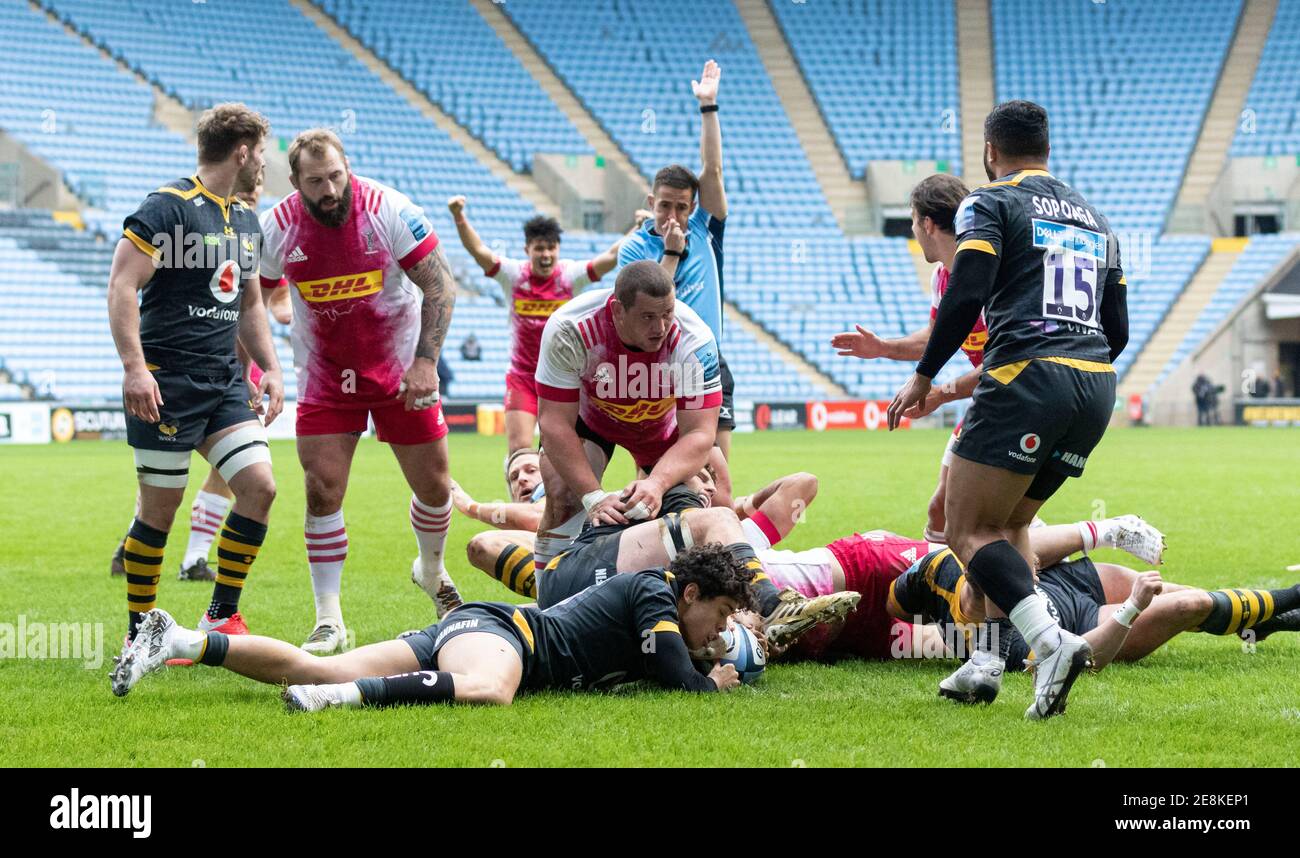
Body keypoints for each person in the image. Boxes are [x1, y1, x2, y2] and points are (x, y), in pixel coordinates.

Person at [886, 100, 1130, 718]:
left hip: (1027, 377)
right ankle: (988, 661)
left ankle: (1050, 643)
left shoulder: (990, 202)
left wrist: (924, 377)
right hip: (1095, 383)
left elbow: (966, 292)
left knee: (965, 530)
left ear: (990, 153)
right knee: (1013, 526)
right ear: (1046, 148)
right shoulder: (1099, 219)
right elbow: (1118, 327)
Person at [257, 129, 461, 655]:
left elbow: (440, 285)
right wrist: (259, 372)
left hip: (399, 374)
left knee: (436, 488)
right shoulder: (277, 228)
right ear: (295, 183)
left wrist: (425, 362)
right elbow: (251, 303)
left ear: (349, 169)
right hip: (326, 376)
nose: (328, 190)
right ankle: (329, 619)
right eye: (315, 182)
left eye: (335, 177)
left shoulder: (388, 209)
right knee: (322, 489)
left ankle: (431, 570)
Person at [110, 544, 757, 705]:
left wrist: (721, 650)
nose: (716, 629)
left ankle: (182, 639)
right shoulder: (655, 590)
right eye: (719, 614)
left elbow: (675, 656)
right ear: (692, 591)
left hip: (479, 629)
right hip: (507, 638)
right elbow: (674, 671)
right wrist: (714, 684)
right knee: (489, 692)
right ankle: (338, 701)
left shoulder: (666, 610)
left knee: (320, 663)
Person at [105, 104, 282, 666]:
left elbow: (251, 303)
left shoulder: (247, 220)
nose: (264, 166)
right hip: (167, 382)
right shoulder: (167, 207)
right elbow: (121, 286)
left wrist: (270, 368)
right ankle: (140, 634)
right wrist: (135, 368)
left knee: (260, 487)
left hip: (225, 383)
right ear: (244, 151)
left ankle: (221, 613)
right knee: (160, 510)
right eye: (262, 154)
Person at [531, 261, 722, 571]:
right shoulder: (571, 328)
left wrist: (657, 483)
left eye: (666, 314)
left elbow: (700, 434)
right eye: (647, 317)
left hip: (661, 425)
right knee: (563, 493)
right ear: (617, 310)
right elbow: (554, 422)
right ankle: (548, 606)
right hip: (593, 418)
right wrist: (592, 497)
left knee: (714, 498)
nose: (660, 328)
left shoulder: (695, 341)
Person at [888, 548, 1300, 685]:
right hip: (1085, 625)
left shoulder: (940, 563)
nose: (1022, 570)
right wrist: (1134, 607)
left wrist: (1102, 531)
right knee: (1187, 607)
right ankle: (1289, 602)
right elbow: (1088, 656)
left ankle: (1265, 621)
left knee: (1189, 593)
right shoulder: (1004, 650)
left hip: (1071, 582)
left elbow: (892, 605)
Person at [832, 173, 976, 542]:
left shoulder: (985, 278)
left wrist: (941, 393)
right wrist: (883, 348)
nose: (913, 231)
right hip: (990, 398)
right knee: (941, 511)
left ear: (927, 224)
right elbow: (934, 338)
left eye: (912, 222)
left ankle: (1093, 534)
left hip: (1014, 397)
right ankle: (943, 593)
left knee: (986, 516)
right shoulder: (943, 277)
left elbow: (1005, 362)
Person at [619, 60, 735, 462]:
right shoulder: (634, 250)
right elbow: (646, 301)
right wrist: (670, 252)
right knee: (653, 469)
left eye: (681, 207)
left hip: (707, 359)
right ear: (651, 203)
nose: (671, 215)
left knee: (715, 472)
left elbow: (713, 170)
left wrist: (708, 107)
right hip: (655, 365)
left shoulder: (706, 229)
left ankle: (712, 526)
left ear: (693, 208)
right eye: (664, 205)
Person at [447, 200, 626, 452]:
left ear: (559, 249)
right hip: (523, 377)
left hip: (562, 374)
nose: (546, 254)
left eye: (551, 248)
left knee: (562, 450)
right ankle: (518, 492)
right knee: (519, 450)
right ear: (527, 249)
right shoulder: (513, 275)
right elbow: (479, 251)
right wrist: (459, 217)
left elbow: (609, 258)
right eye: (539, 248)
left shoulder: (569, 275)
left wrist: (636, 230)